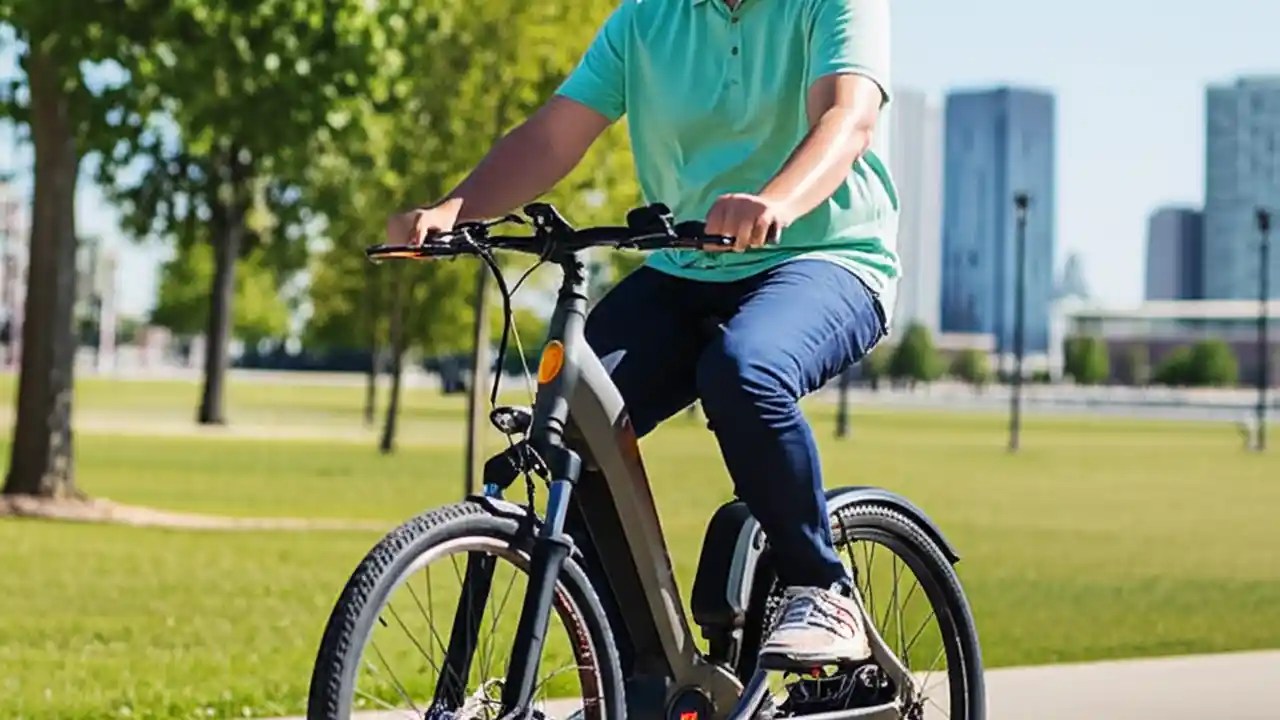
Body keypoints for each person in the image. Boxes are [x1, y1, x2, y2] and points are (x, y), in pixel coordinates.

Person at [387, 0, 899, 670]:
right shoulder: (646, 19)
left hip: (826, 257)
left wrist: (775, 200)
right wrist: (456, 207)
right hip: (687, 261)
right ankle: (639, 676)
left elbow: (847, 117)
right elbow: (553, 136)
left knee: (743, 370)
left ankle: (820, 587)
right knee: (573, 414)